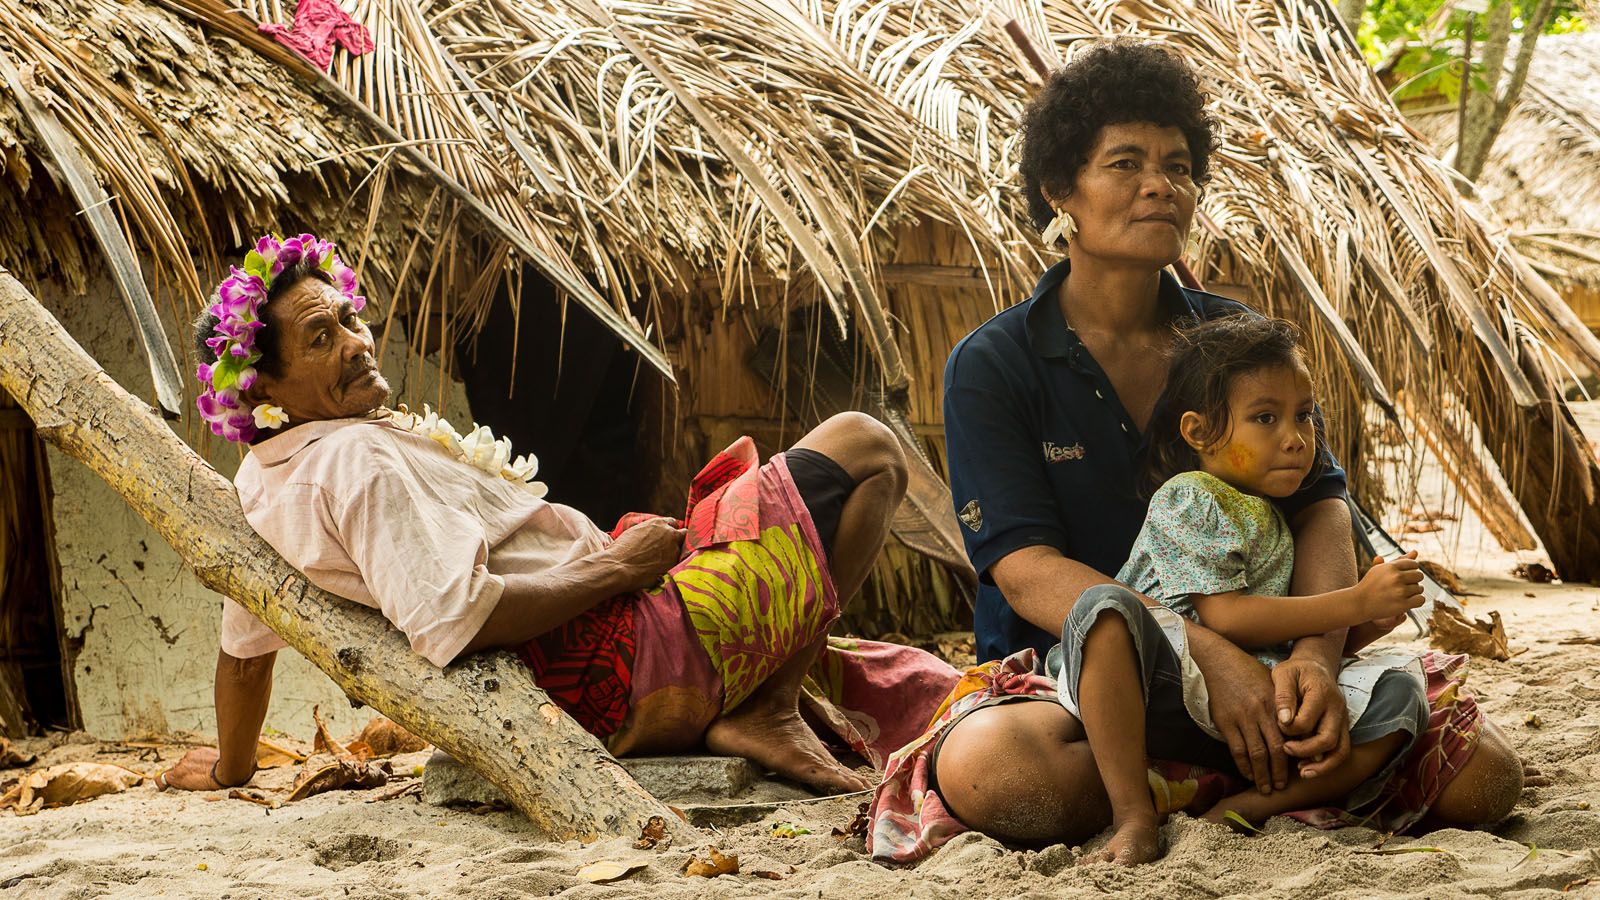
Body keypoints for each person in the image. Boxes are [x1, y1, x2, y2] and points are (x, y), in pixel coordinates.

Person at [867, 40, 1522, 863]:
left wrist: (1315, 661)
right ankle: (1220, 778)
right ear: (1060, 189)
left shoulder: (1231, 337)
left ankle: (1216, 773)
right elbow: (1025, 566)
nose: (1159, 185)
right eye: (1126, 163)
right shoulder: (995, 364)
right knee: (998, 775)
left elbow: (1323, 503)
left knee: (1485, 779)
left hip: (1269, 660)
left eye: (1178, 166)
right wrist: (1200, 648)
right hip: (1073, 681)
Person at [157, 233, 953, 796]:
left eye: (351, 319)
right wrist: (618, 567)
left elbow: (244, 650)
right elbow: (453, 616)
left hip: (621, 647)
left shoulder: (265, 484)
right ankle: (766, 708)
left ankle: (767, 696)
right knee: (867, 446)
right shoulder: (354, 462)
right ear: (262, 391)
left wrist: (233, 767)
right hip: (628, 661)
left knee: (873, 667)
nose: (357, 344)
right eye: (321, 338)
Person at [1065, 313, 1447, 864]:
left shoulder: (1266, 511)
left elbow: (1277, 633)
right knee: (1104, 610)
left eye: (1304, 416)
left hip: (1250, 696)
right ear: (1198, 432)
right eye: (1265, 418)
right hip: (1155, 683)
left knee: (1401, 690)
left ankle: (1250, 806)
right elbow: (1224, 618)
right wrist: (1354, 600)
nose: (1294, 439)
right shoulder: (1190, 497)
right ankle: (1132, 817)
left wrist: (1366, 625)